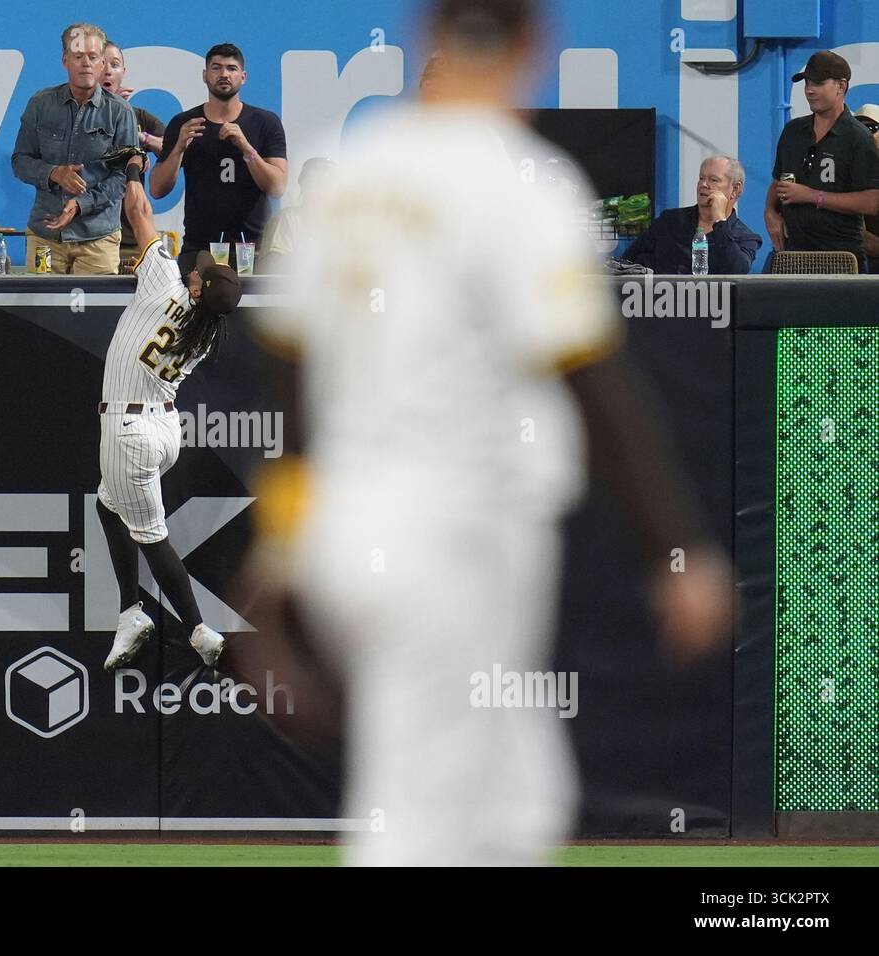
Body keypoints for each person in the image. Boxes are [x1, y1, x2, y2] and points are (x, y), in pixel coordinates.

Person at [249, 0, 730, 866]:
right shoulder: (516, 179)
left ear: (422, 40)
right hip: (453, 531)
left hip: (355, 532)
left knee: (515, 796)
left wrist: (285, 548)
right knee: (421, 809)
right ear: (532, 50)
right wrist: (678, 548)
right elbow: (593, 381)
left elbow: (292, 379)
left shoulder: (349, 175)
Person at [96, 154, 243, 673]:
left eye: (203, 275)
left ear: (199, 289)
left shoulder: (165, 288)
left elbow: (138, 211)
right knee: (107, 505)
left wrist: (134, 168)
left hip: (130, 428)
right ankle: (129, 611)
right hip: (161, 428)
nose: (196, 273)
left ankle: (199, 630)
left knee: (152, 537)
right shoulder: (207, 334)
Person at [149, 43, 287, 274]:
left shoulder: (266, 122)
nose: (224, 74)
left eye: (232, 68)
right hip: (199, 250)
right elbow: (156, 189)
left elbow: (277, 186)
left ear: (243, 77)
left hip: (253, 250)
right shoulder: (184, 123)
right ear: (205, 75)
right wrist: (178, 148)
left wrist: (246, 147)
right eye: (216, 68)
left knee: (253, 311)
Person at [12, 23, 138, 275]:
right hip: (45, 235)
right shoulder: (39, 104)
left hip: (98, 238)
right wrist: (53, 173)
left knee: (94, 314)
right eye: (78, 56)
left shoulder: (120, 112)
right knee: (39, 313)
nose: (86, 63)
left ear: (102, 63)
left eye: (93, 57)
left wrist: (82, 203)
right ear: (65, 61)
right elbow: (20, 161)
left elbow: (124, 177)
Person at [765, 51, 879, 271]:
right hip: (794, 254)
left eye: (818, 83)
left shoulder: (858, 138)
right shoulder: (793, 131)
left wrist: (811, 196)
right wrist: (770, 211)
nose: (809, 90)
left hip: (841, 256)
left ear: (841, 86)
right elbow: (777, 181)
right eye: (807, 82)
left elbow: (872, 201)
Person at [622, 155, 761, 274]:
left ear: (735, 189)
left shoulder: (746, 238)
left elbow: (737, 272)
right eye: (701, 178)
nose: (703, 184)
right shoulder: (669, 221)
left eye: (713, 180)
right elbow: (627, 260)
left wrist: (720, 220)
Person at [101, 40, 167, 266]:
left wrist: (141, 139)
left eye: (115, 64)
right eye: (102, 63)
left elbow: (173, 147)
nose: (108, 70)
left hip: (132, 238)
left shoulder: (139, 117)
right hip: (93, 238)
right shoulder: (77, 117)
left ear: (123, 72)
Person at [257, 157, 336, 273]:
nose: (320, 191)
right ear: (304, 186)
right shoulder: (287, 218)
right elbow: (274, 267)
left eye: (326, 185)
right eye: (315, 184)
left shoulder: (341, 224)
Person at [855, 104, 879, 273]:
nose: (864, 134)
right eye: (859, 129)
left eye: (871, 128)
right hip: (852, 262)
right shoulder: (846, 171)